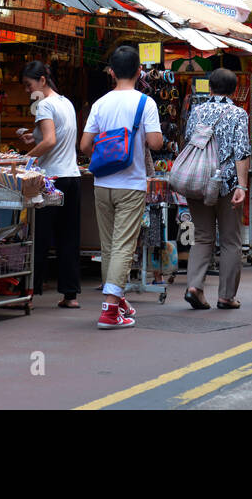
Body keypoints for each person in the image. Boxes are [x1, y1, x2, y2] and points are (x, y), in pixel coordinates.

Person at [80, 45, 162, 329]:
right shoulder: (145, 103)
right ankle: (109, 310)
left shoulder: (100, 103)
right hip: (131, 183)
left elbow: (85, 145)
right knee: (124, 246)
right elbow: (155, 143)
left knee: (109, 246)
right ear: (140, 71)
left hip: (102, 183)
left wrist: (108, 150)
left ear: (111, 72)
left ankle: (117, 298)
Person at [182, 67, 252, 310]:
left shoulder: (197, 111)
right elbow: (242, 151)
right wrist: (242, 185)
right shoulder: (238, 114)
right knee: (231, 240)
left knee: (202, 236)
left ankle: (194, 286)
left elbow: (188, 139)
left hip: (198, 179)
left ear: (209, 88)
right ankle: (226, 296)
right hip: (227, 182)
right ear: (234, 91)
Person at [15, 61, 82, 309]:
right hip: (71, 178)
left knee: (40, 236)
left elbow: (50, 140)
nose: (26, 90)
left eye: (28, 85)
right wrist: (34, 138)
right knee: (68, 236)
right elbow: (55, 136)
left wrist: (27, 159)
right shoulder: (66, 103)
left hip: (51, 180)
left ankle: (28, 294)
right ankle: (70, 295)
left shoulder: (43, 104)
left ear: (42, 81)